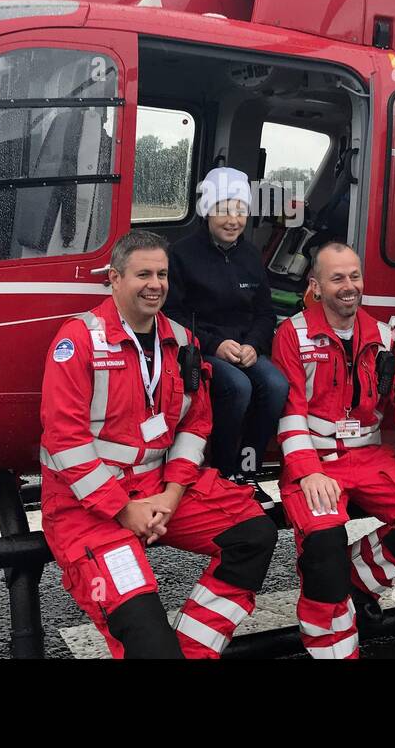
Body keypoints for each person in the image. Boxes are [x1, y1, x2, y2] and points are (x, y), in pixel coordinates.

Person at [38, 230, 278, 658]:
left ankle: (190, 650)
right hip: (88, 507)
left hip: (158, 489)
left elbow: (195, 424)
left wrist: (171, 492)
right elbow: (64, 441)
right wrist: (121, 508)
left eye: (162, 274)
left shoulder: (182, 342)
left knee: (255, 533)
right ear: (113, 279)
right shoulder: (78, 342)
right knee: (144, 634)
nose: (155, 284)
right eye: (143, 274)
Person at [273, 241, 395, 659]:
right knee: (322, 550)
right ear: (316, 286)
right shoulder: (292, 334)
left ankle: (350, 581)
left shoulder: (384, 336)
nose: (349, 286)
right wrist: (305, 470)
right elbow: (290, 411)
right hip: (315, 462)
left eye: (354, 275)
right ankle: (334, 648)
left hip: (369, 458)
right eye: (337, 278)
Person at [165, 167, 289, 481]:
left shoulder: (250, 256)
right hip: (201, 349)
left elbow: (265, 313)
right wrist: (213, 346)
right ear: (207, 210)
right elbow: (171, 315)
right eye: (223, 209)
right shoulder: (180, 255)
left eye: (241, 210)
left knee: (276, 386)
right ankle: (223, 471)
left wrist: (254, 345)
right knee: (237, 387)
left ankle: (248, 468)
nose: (233, 219)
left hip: (244, 348)